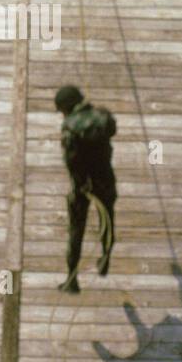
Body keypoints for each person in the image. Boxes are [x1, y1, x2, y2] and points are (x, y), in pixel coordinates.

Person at [54, 85, 117, 293]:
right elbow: (113, 129)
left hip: (83, 186)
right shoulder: (103, 117)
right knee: (107, 220)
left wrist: (80, 184)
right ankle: (105, 255)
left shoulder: (69, 126)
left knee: (76, 230)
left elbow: (71, 160)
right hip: (105, 180)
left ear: (67, 107)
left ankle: (72, 281)